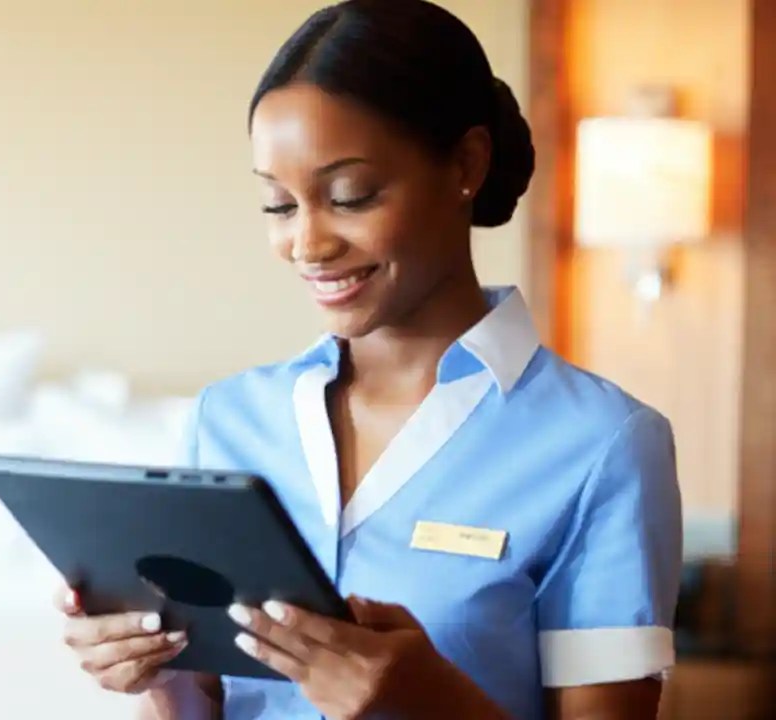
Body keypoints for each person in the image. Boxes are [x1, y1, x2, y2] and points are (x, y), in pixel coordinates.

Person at [53, 1, 682, 717]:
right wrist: (157, 669)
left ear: (466, 164)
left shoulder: (602, 445)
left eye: (350, 196)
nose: (308, 244)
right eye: (278, 206)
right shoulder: (227, 420)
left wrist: (426, 702)